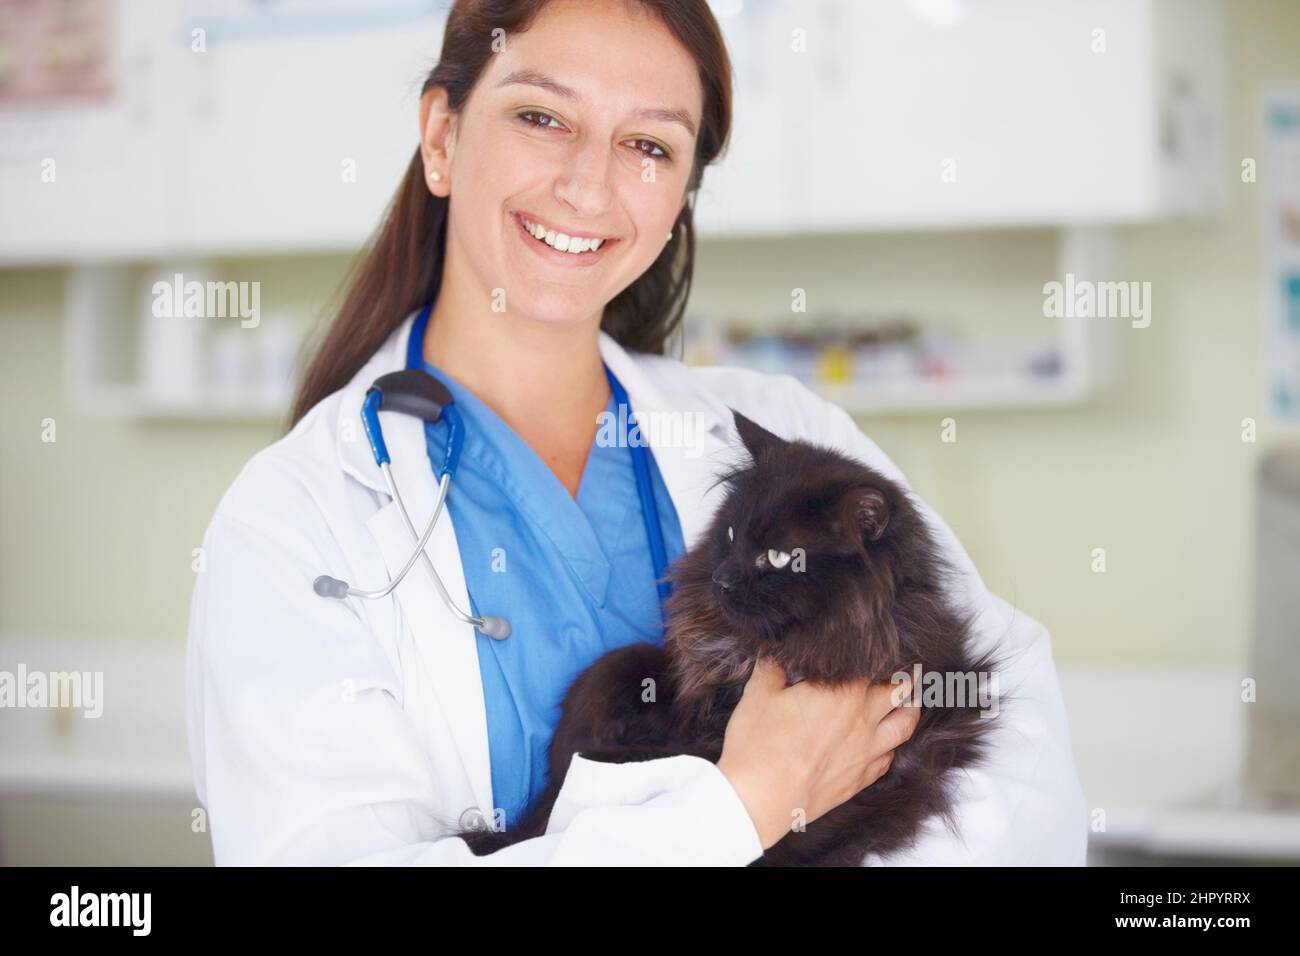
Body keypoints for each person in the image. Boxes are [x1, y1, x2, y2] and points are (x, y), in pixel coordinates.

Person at [185, 0, 1087, 865]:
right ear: (442, 136)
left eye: (648, 145)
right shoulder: (294, 520)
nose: (588, 184)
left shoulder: (785, 438)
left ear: (681, 199)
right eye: (542, 117)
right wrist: (743, 806)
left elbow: (1014, 754)